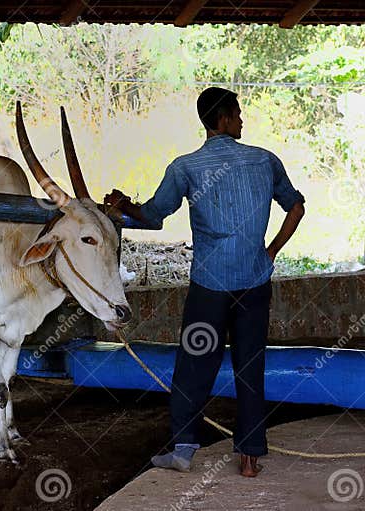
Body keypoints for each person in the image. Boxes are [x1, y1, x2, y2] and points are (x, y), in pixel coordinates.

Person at [106, 87, 305, 477]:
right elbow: (295, 208)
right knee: (250, 365)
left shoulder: (186, 167)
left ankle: (182, 450)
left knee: (194, 364)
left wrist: (123, 205)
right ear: (224, 120)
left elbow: (153, 217)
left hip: (209, 288)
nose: (242, 120)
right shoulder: (265, 161)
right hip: (254, 281)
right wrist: (271, 252)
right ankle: (249, 458)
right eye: (238, 113)